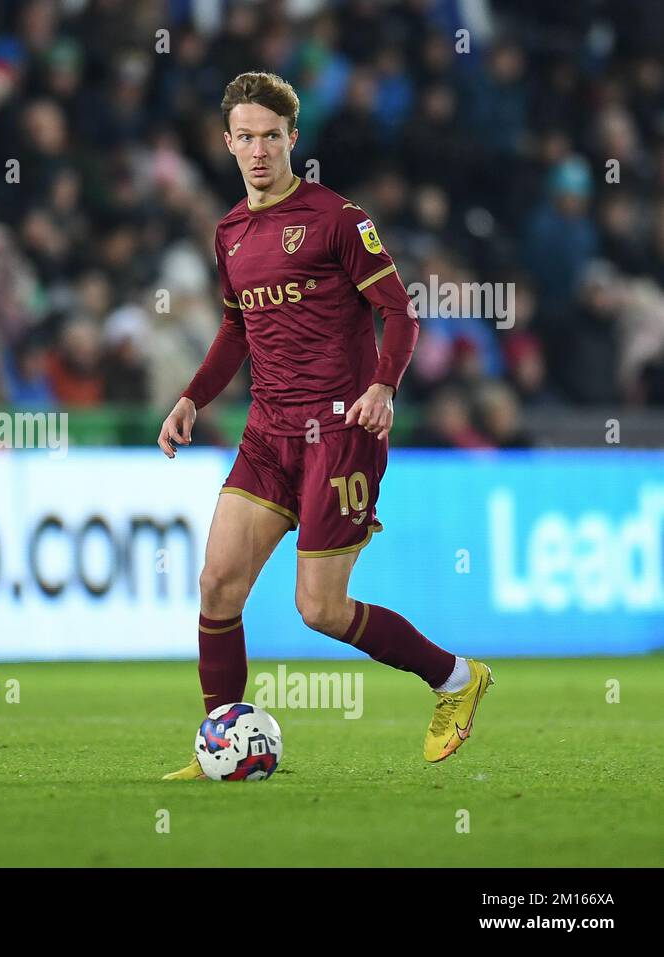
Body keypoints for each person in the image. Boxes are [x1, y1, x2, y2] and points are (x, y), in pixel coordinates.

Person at [156, 72, 492, 779]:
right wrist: (192, 397)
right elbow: (234, 329)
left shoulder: (339, 218)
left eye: (269, 137)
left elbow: (401, 312)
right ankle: (219, 739)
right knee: (217, 584)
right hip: (266, 431)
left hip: (342, 430)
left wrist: (383, 386)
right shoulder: (228, 233)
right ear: (226, 142)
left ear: (292, 139)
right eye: (244, 137)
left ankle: (457, 679)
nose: (257, 150)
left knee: (319, 608)